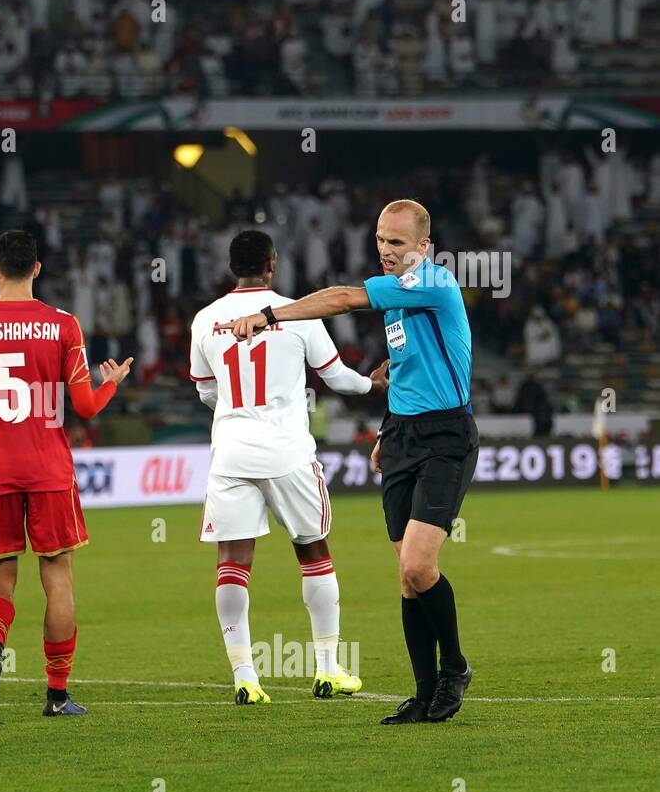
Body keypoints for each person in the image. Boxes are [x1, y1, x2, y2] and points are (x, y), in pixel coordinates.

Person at [230, 200, 478, 724]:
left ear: (423, 247)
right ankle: (425, 691)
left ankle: (454, 667)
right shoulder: (396, 299)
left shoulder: (433, 283)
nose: (386, 251)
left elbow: (342, 298)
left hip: (446, 436)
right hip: (404, 435)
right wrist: (390, 430)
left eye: (398, 243)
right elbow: (406, 365)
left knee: (419, 564)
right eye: (381, 240)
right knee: (406, 579)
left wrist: (270, 314)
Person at [0, 230, 133, 717]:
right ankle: (56, 695)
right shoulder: (63, 325)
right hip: (48, 470)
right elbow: (86, 407)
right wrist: (111, 385)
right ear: (37, 269)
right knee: (57, 578)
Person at [190, 231, 387, 704]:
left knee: (232, 564)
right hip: (288, 452)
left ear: (231, 267)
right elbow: (335, 377)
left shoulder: (204, 320)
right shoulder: (299, 311)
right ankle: (327, 669)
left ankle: (244, 675)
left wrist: (237, 408)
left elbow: (206, 391)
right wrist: (372, 385)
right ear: (272, 265)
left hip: (232, 451)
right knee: (314, 553)